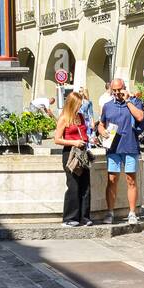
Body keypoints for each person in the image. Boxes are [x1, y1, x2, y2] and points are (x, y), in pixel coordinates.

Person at [96, 78, 144, 225]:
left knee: (131, 180)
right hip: (113, 148)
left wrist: (128, 101)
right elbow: (101, 124)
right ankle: (110, 212)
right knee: (112, 180)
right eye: (115, 90)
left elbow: (139, 116)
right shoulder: (107, 106)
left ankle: (132, 213)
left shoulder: (134, 102)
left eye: (120, 89)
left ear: (124, 88)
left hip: (130, 146)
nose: (118, 93)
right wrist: (102, 131)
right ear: (111, 90)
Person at [53, 92, 93, 227]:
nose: (80, 107)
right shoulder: (64, 118)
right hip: (70, 153)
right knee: (73, 185)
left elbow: (84, 133)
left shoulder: (80, 116)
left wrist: (89, 139)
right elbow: (57, 139)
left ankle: (84, 216)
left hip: (82, 152)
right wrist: (74, 142)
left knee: (85, 185)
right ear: (72, 104)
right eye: (78, 105)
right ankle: (70, 217)